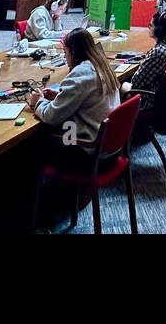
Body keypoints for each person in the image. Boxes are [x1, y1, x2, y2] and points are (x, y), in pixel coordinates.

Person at [28, 29, 121, 228]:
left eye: (65, 51)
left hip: (88, 156)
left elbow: (52, 117)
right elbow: (82, 97)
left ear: (72, 51)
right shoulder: (102, 66)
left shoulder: (81, 73)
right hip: (110, 151)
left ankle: (38, 220)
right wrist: (60, 95)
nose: (64, 56)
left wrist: (38, 102)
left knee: (29, 149)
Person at [125, 9, 166, 109]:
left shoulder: (158, 53)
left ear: (158, 30)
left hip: (149, 99)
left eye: (151, 25)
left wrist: (142, 64)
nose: (148, 27)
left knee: (121, 85)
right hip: (162, 95)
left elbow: (136, 82)